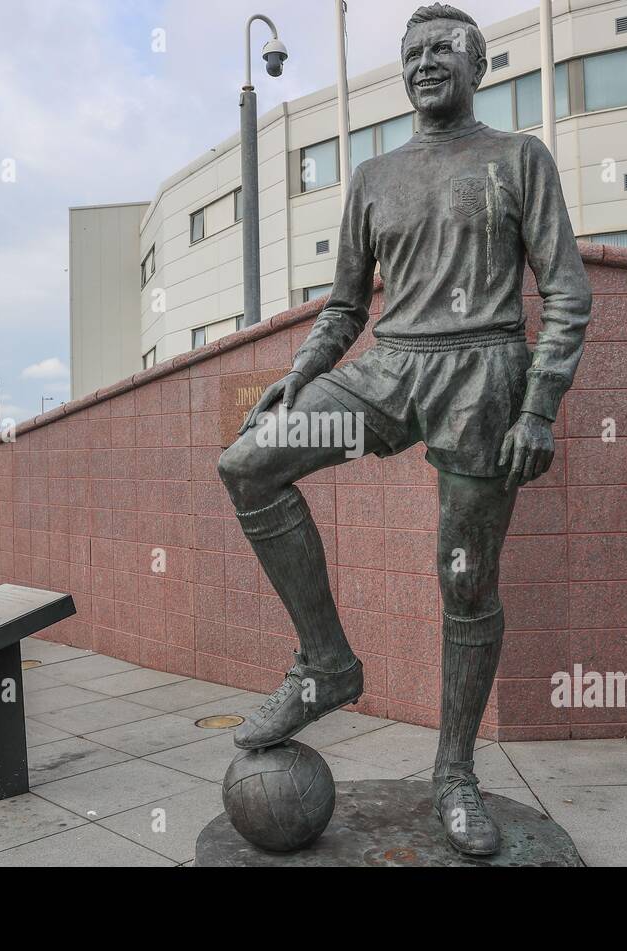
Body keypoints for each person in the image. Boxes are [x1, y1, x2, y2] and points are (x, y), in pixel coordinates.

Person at [217, 2, 591, 856]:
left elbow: (568, 295)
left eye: (443, 49)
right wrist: (302, 374)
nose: (425, 62)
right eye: (412, 51)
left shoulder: (518, 159)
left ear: (478, 65)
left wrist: (539, 407)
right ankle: (327, 663)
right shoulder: (374, 176)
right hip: (390, 373)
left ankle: (454, 774)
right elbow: (346, 305)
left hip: (484, 378)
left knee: (464, 583)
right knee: (249, 465)